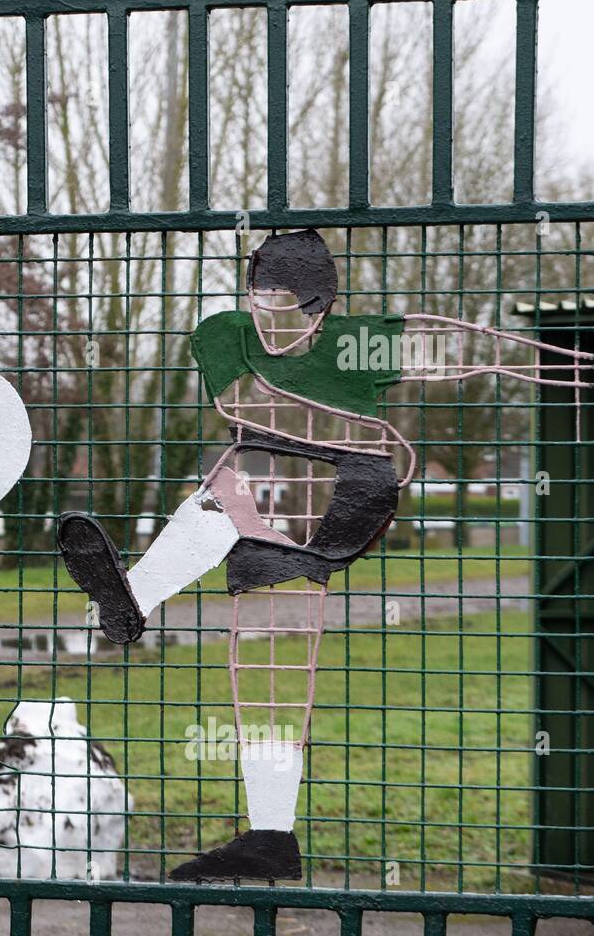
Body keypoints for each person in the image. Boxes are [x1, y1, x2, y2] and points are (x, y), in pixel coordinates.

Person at [58, 228, 591, 882]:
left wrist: (572, 361)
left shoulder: (354, 343)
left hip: (349, 489)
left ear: (321, 309)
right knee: (266, 666)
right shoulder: (224, 333)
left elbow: (476, 351)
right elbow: (238, 400)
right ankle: (270, 836)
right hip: (271, 508)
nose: (270, 321)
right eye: (261, 303)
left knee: (234, 477)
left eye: (287, 309)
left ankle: (133, 598)